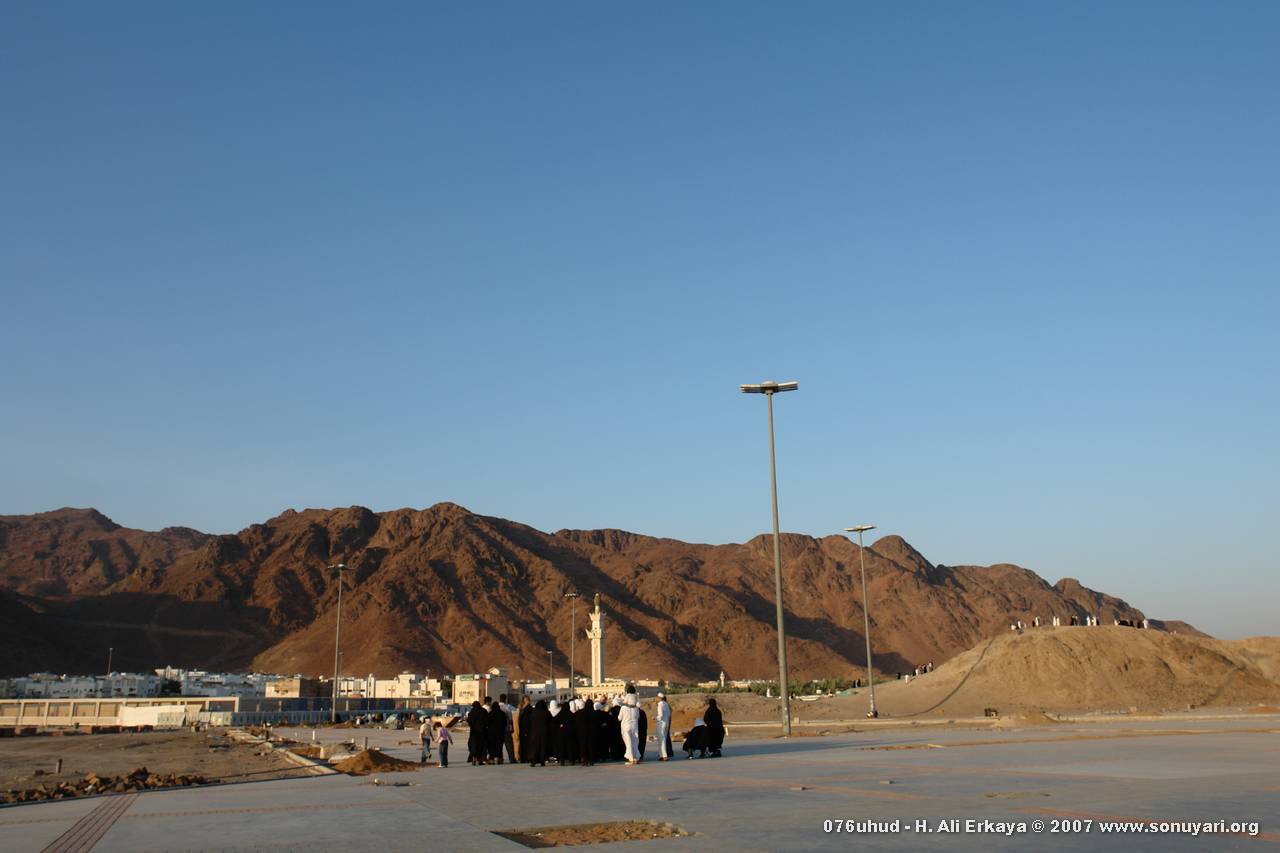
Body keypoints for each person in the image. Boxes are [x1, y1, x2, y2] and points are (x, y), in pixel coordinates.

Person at [527, 699, 551, 766]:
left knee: (534, 747)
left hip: (534, 732)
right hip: (544, 732)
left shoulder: (533, 713)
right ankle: (542, 761)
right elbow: (550, 722)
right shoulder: (547, 713)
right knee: (543, 746)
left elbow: (530, 721)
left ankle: (533, 761)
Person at [619, 693, 642, 764]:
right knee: (635, 742)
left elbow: (619, 718)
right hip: (634, 726)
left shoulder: (623, 708)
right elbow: (638, 717)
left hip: (626, 726)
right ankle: (636, 757)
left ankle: (631, 758)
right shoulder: (636, 708)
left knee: (628, 742)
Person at [484, 697, 507, 765]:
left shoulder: (490, 713)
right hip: (500, 733)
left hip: (492, 733)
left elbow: (487, 723)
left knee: (492, 746)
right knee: (499, 746)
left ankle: (492, 758)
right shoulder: (502, 714)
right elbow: (505, 723)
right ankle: (499, 758)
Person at [574, 700, 594, 766]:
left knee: (583, 746)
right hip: (591, 731)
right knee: (590, 746)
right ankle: (591, 761)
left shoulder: (579, 712)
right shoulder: (593, 712)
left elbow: (576, 723)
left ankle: (585, 760)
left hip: (581, 731)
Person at [466, 701, 486, 765]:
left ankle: (474, 759)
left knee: (474, 745)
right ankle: (479, 760)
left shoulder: (472, 712)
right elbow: (487, 720)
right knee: (481, 746)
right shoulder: (483, 711)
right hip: (482, 732)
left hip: (473, 732)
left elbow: (469, 721)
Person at [499, 694, 517, 764]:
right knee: (509, 745)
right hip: (506, 729)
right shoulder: (507, 707)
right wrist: (512, 728)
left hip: (498, 730)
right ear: (505, 699)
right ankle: (512, 759)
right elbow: (510, 719)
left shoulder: (497, 706)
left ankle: (500, 758)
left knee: (499, 745)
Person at [655, 692, 672, 761]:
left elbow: (660, 715)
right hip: (666, 723)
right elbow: (669, 714)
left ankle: (664, 756)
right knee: (663, 739)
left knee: (661, 740)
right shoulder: (666, 704)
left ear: (659, 698)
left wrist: (655, 718)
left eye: (656, 697)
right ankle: (661, 755)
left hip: (661, 724)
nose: (656, 699)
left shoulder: (660, 704)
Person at [517, 696, 532, 762]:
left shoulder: (529, 708)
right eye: (525, 700)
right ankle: (523, 757)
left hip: (527, 729)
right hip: (522, 728)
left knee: (527, 744)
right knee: (522, 743)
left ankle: (527, 757)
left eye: (527, 700)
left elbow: (528, 719)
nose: (526, 701)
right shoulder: (521, 708)